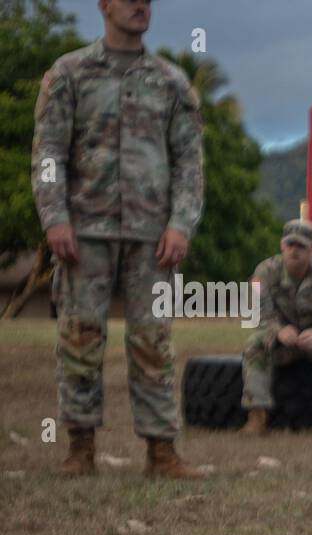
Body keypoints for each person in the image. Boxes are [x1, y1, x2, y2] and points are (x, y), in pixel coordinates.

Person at [31, 0, 205, 479]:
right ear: (104, 6)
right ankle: (79, 449)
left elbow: (190, 163)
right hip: (83, 229)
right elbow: (48, 152)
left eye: (147, 1)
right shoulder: (68, 73)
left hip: (153, 234)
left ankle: (162, 452)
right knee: (80, 337)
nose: (140, 7)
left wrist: (180, 223)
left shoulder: (172, 82)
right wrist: (54, 217)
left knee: (153, 340)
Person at [240, 220, 312, 439]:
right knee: (254, 345)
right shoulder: (265, 272)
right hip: (283, 343)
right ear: (282, 246)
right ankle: (257, 416)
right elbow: (257, 312)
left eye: (301, 246)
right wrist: (278, 330)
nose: (294, 251)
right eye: (290, 245)